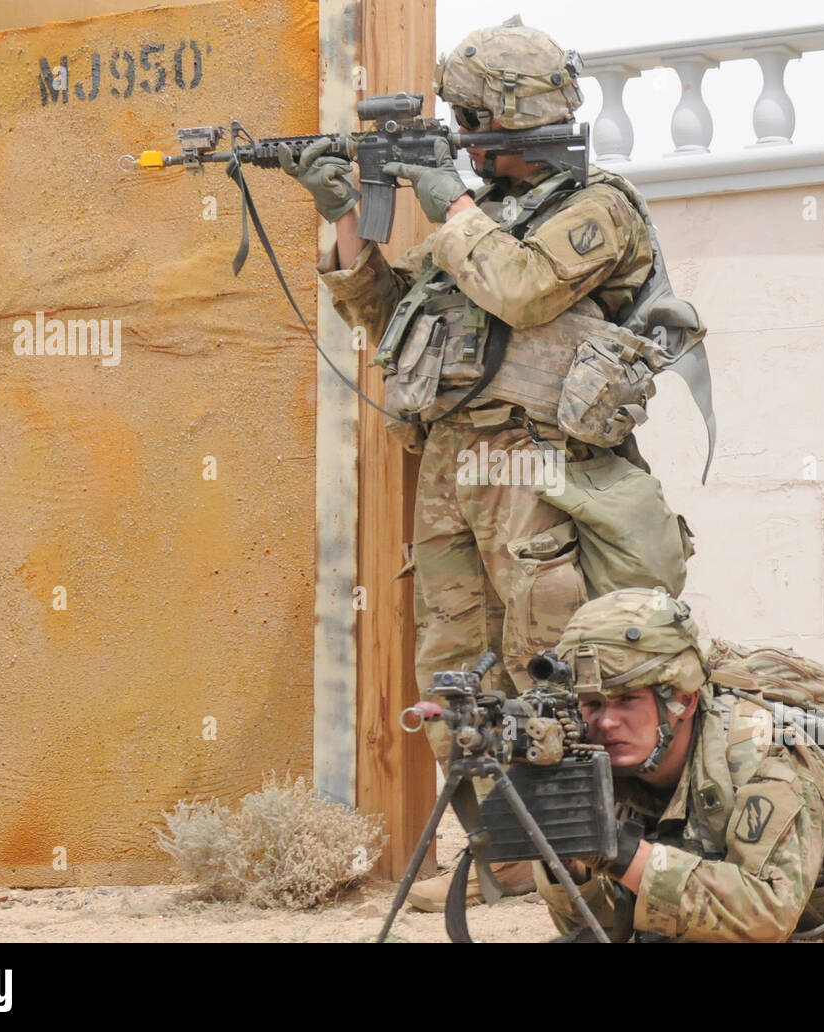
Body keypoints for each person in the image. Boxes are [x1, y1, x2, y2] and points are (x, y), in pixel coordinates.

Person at [287, 17, 697, 911]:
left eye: (467, 115)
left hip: (538, 464)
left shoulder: (598, 209)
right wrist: (344, 215)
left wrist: (446, 199)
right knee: (455, 661)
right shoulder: (477, 221)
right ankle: (504, 859)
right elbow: (385, 318)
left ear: (503, 116)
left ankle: (584, 858)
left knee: (549, 654)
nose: (459, 130)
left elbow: (520, 287)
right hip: (450, 463)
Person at [535, 587, 824, 942]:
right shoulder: (606, 765)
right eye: (591, 704)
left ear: (684, 699)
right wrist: (571, 863)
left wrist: (618, 851)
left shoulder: (769, 754)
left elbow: (768, 913)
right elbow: (609, 925)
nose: (605, 722)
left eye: (627, 700)